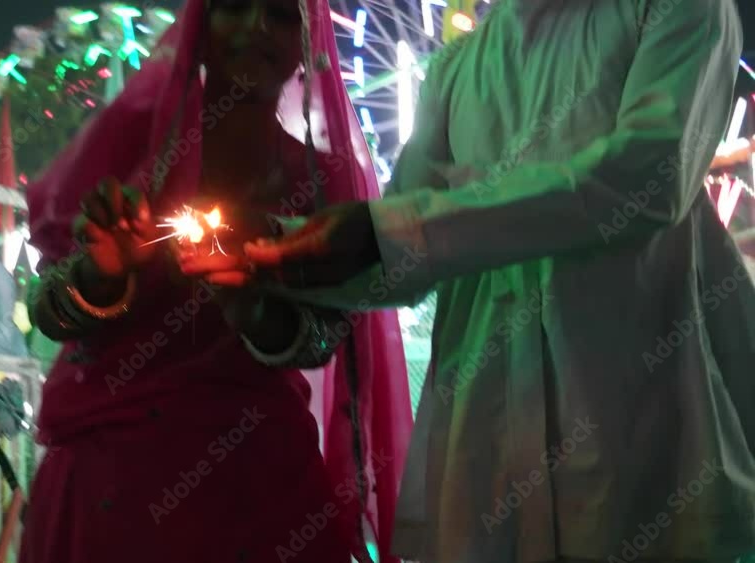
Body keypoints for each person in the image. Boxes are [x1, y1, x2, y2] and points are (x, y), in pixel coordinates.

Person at [244, 0, 755, 562]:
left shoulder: (676, 11)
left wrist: (390, 232)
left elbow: (647, 177)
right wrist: (271, 252)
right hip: (484, 450)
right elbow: (398, 260)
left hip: (637, 440)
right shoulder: (457, 67)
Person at [19, 0, 412, 559]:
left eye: (278, 14)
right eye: (233, 8)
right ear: (198, 32)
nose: (256, 29)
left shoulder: (325, 180)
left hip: (260, 485)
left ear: (305, 41)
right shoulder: (129, 146)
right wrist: (101, 274)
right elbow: (46, 308)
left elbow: (326, 335)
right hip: (114, 485)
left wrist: (251, 307)